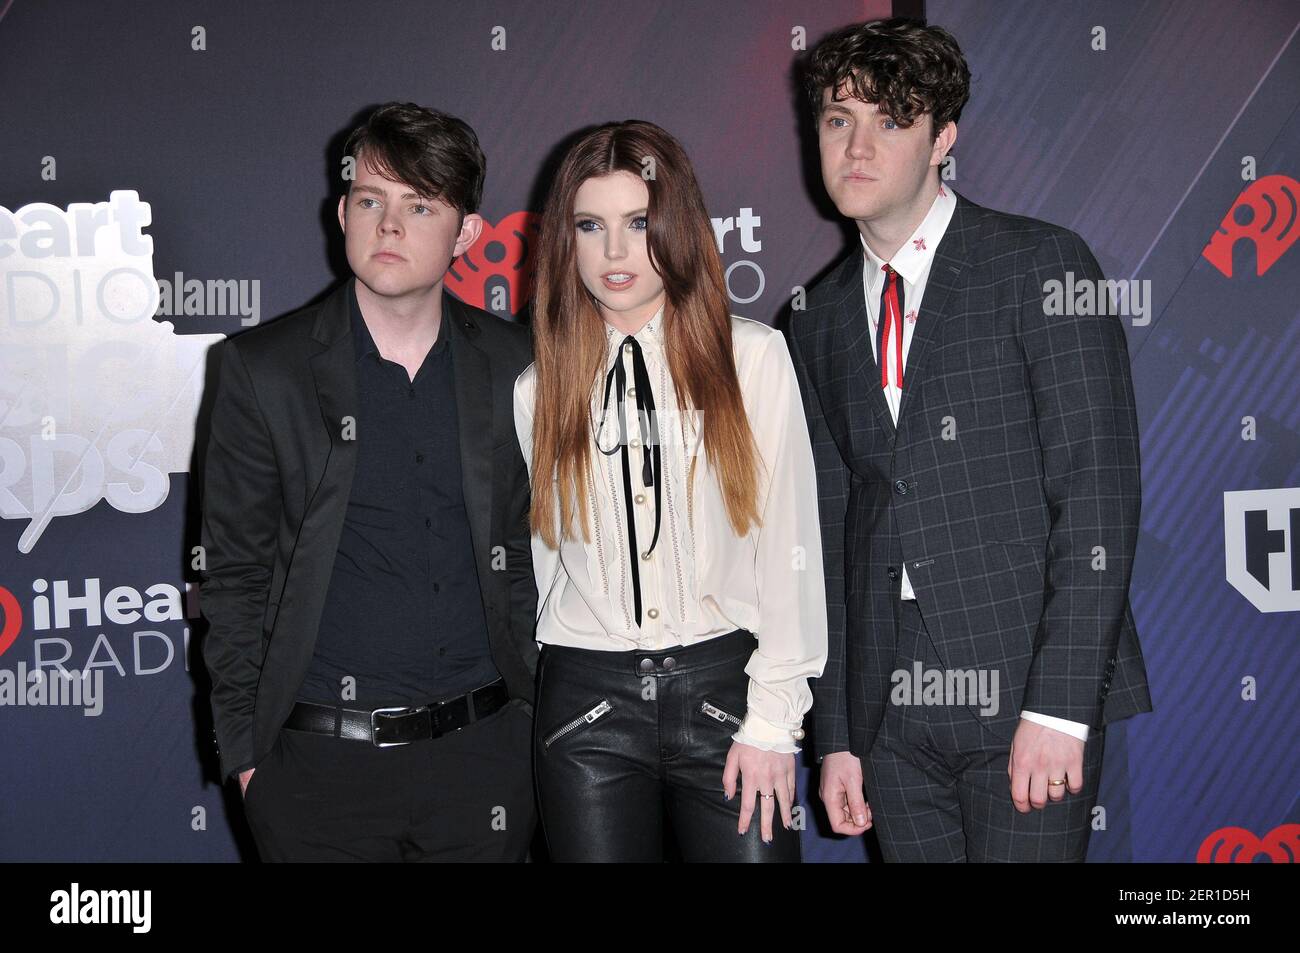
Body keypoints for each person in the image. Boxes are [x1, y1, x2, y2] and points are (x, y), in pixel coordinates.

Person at [793, 18, 1152, 861]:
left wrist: (1061, 708)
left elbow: (1098, 492)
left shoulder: (1041, 265)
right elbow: (836, 535)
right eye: (840, 120)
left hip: (1026, 686)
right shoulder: (817, 319)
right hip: (889, 713)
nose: (858, 146)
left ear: (942, 139)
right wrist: (839, 731)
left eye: (891, 121)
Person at [200, 102, 538, 861]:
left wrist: (531, 728)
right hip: (315, 775)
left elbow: (536, 553)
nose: (390, 225)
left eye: (420, 204)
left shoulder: (522, 368)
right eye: (370, 200)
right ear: (341, 213)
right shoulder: (262, 371)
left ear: (467, 235)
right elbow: (235, 577)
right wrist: (248, 762)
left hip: (486, 763)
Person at [512, 120, 827, 862]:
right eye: (591, 225)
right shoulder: (538, 390)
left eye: (639, 223)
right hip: (586, 705)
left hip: (728, 691)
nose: (615, 252)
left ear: (677, 226)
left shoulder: (753, 359)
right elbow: (549, 568)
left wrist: (775, 721)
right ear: (566, 240)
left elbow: (791, 548)